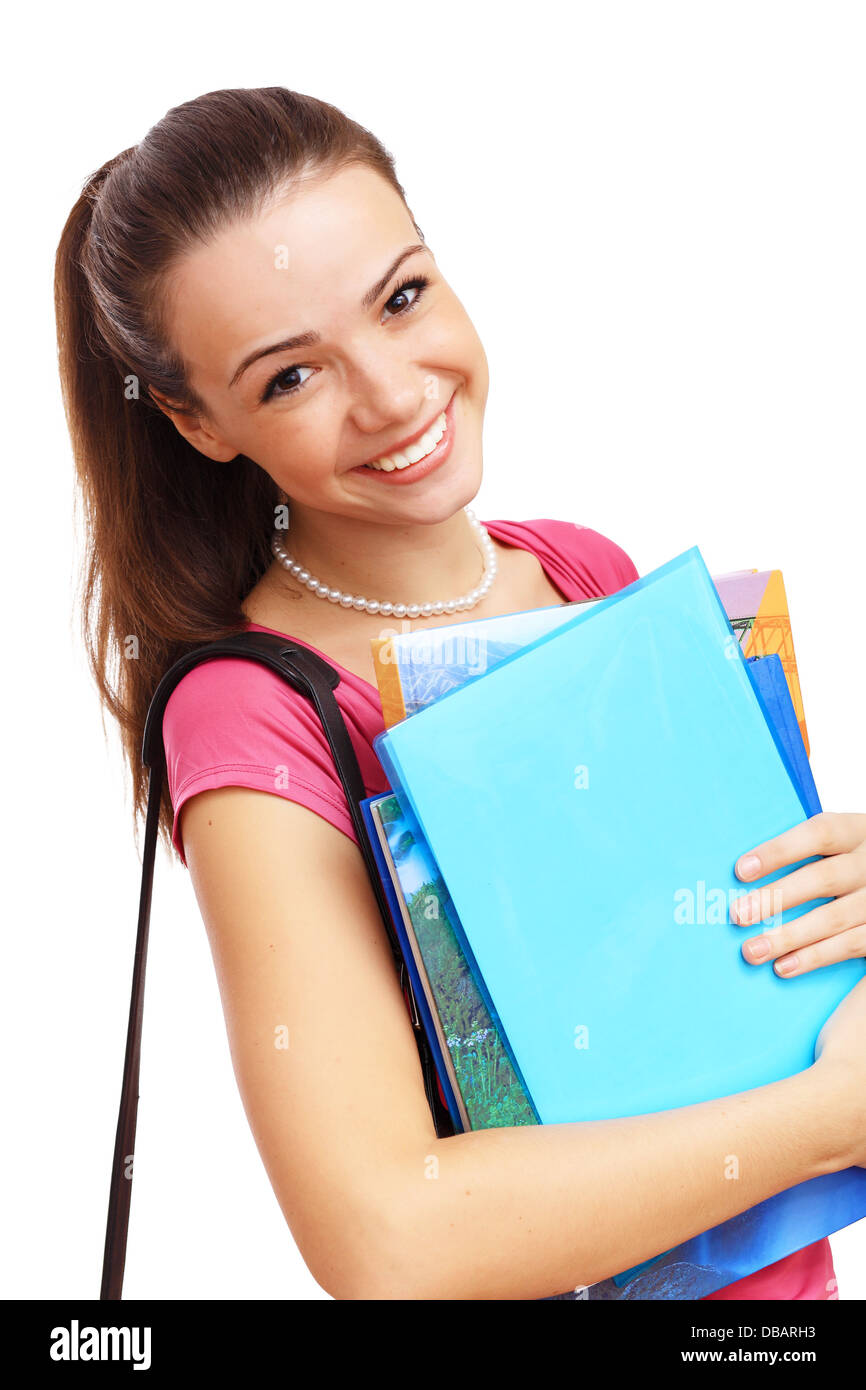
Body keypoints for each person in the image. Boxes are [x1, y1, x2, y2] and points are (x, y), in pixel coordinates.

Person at [55, 85, 866, 1301]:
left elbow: (698, 977)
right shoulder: (252, 712)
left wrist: (830, 911)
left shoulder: (583, 569)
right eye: (288, 378)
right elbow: (387, 1240)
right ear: (193, 419)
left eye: (400, 296)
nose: (390, 395)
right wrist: (828, 1114)